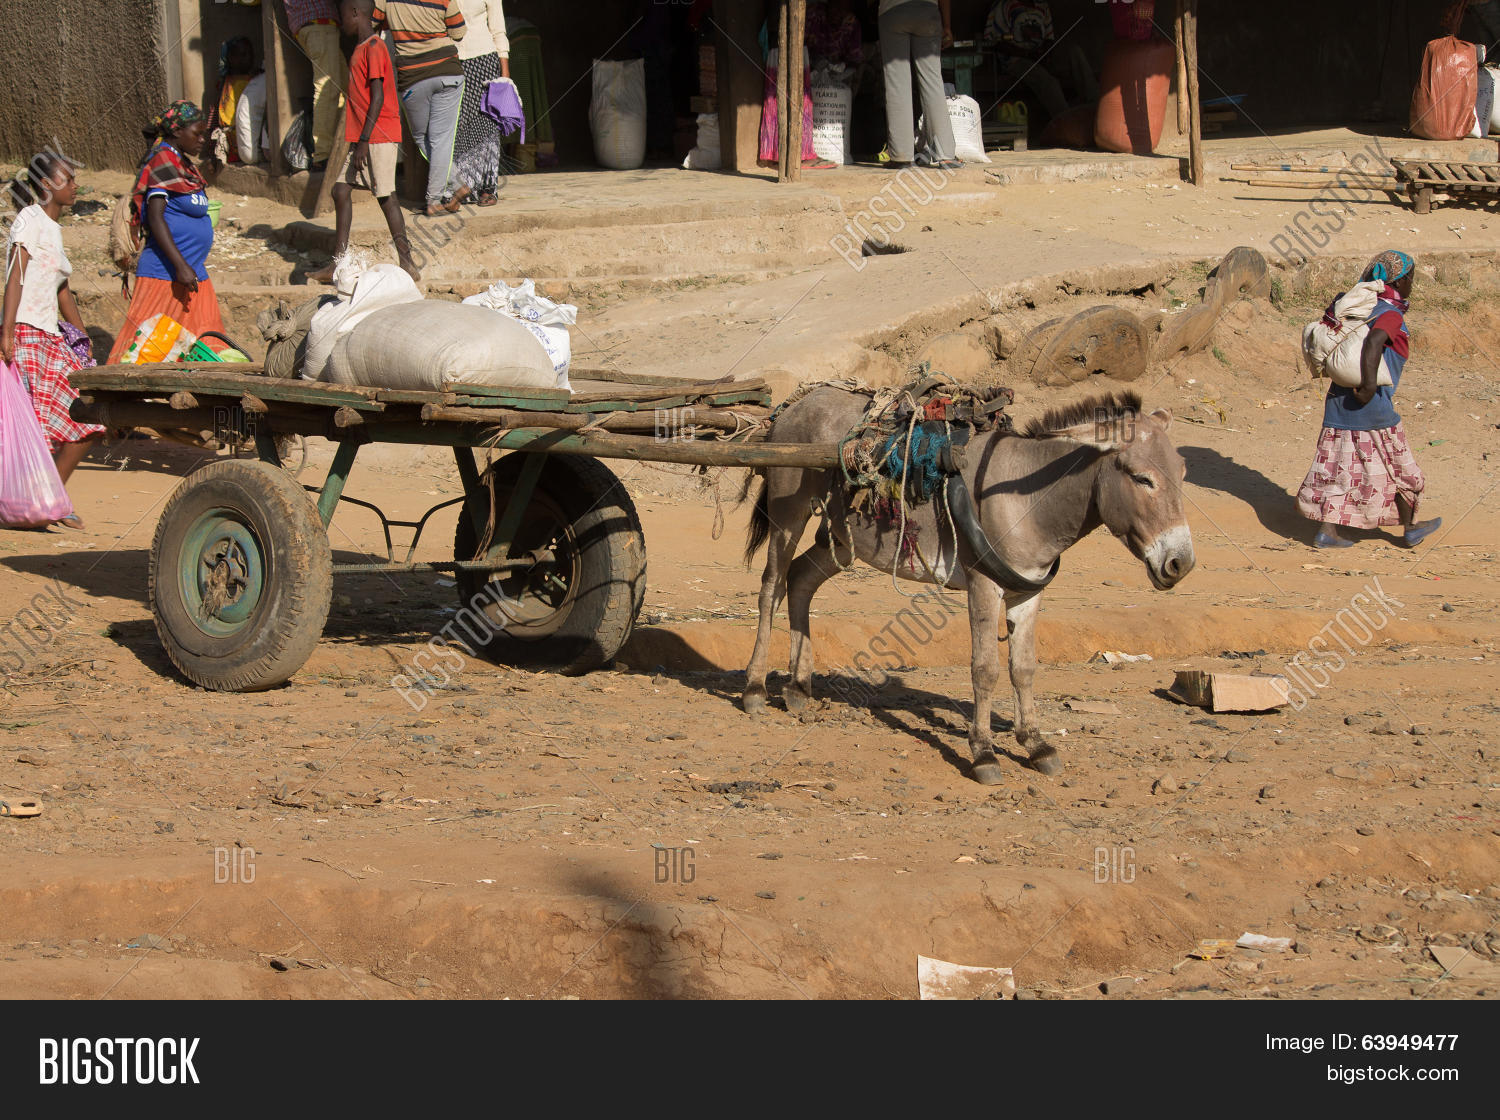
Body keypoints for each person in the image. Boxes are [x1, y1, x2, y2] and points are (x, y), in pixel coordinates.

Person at [1296, 251, 1442, 550]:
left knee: (1339, 471)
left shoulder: (1351, 305)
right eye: (1411, 278)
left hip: (1338, 406)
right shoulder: (1389, 313)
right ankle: (1411, 528)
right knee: (1400, 469)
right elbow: (1374, 342)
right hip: (1372, 406)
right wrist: (1368, 386)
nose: (1412, 285)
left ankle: (1328, 532)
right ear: (1398, 282)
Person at [2, 153, 105, 529]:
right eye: (68, 179)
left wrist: (83, 336)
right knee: (36, 431)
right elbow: (16, 276)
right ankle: (34, 505)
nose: (75, 186)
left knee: (88, 421)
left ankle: (48, 500)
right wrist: (7, 331)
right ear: (46, 185)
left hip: (51, 339)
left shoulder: (54, 230)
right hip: (27, 336)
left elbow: (62, 290)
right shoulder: (30, 219)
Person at [107, 101, 227, 364]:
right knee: (141, 353)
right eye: (197, 133)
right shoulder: (162, 160)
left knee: (206, 348)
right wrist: (180, 266)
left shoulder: (183, 165)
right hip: (165, 273)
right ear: (176, 131)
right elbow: (155, 217)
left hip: (194, 273)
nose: (202, 139)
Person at [310, 0, 420, 283]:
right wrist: (359, 141)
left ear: (355, 13)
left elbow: (378, 96)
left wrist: (363, 141)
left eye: (343, 15)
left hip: (378, 134)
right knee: (340, 191)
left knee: (386, 197)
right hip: (364, 136)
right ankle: (337, 264)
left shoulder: (374, 47)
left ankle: (407, 262)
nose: (341, 22)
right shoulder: (361, 48)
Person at [374, 0, 469, 216]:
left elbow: (372, 22)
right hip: (448, 72)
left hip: (412, 78)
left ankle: (439, 196)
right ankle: (451, 188)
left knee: (422, 137)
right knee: (441, 139)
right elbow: (459, 32)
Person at [983, 0, 1097, 123]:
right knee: (1049, 83)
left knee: (1075, 51)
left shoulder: (1042, 5)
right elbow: (994, 42)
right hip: (1015, 60)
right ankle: (1067, 122)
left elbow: (1049, 38)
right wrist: (1028, 54)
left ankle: (1096, 108)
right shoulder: (1004, 5)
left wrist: (1044, 53)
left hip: (1039, 56)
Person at [879, 0, 960, 169]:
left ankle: (901, 156)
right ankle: (946, 155)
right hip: (927, 11)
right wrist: (947, 26)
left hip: (893, 11)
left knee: (897, 81)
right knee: (932, 81)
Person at [454, 0, 510, 205]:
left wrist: (505, 74)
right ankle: (462, 187)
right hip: (452, 61)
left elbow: (498, 31)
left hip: (484, 61)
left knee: (487, 125)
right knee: (459, 126)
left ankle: (488, 188)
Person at [283, 0, 347, 170]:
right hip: (318, 25)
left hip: (313, 26)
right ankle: (323, 153)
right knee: (328, 88)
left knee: (341, 87)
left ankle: (335, 146)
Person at [205, 36, 258, 169]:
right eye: (241, 55)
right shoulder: (225, 84)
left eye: (249, 54)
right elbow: (215, 113)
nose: (247, 58)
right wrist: (211, 149)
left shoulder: (256, 80)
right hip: (230, 139)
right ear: (230, 58)